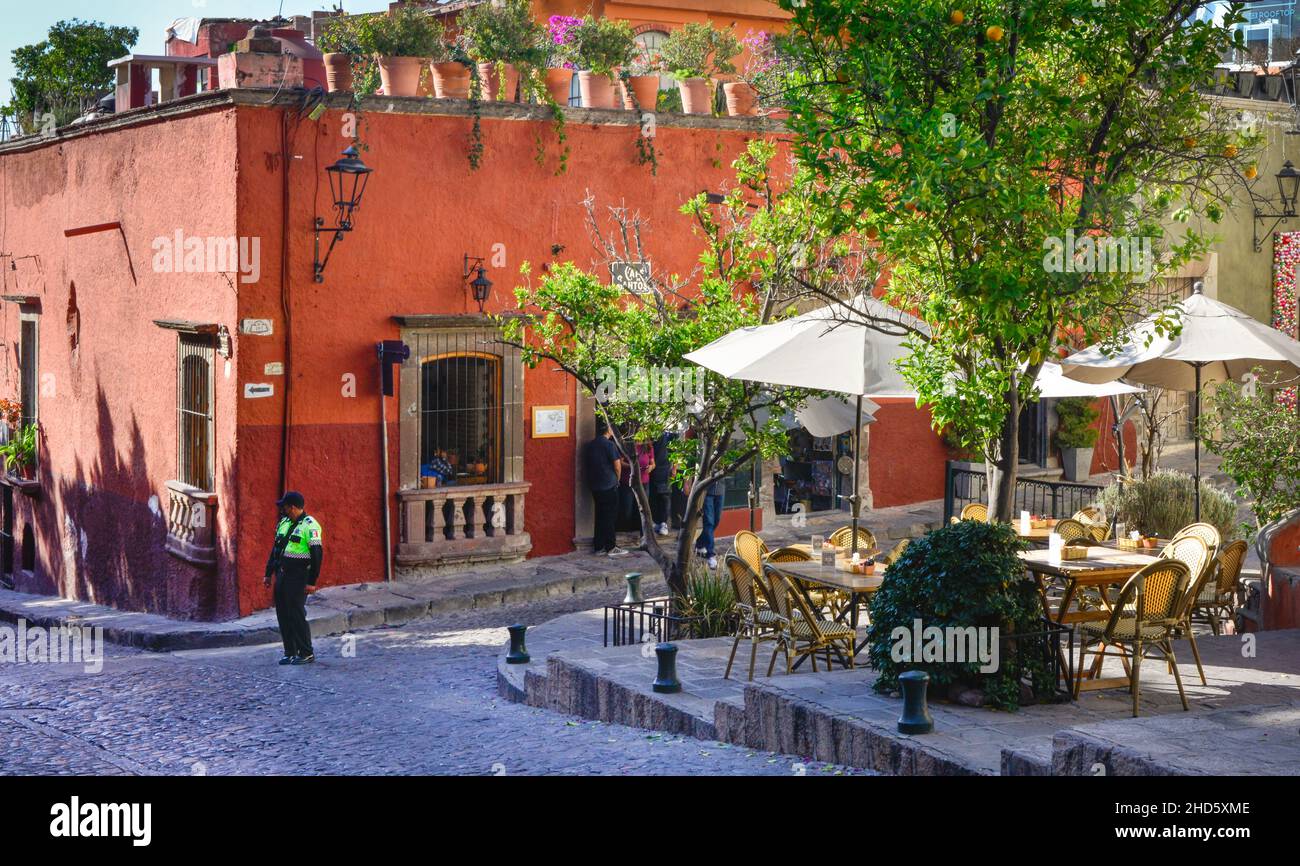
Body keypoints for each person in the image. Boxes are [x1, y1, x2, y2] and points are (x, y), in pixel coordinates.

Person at [264, 491, 323, 665]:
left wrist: (312, 582)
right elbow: (275, 550)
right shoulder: (283, 523)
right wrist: (268, 573)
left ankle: (306, 652)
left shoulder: (310, 525)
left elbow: (317, 555)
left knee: (296, 613)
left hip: (299, 576)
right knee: (283, 614)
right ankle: (290, 651)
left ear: (294, 507)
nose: (283, 510)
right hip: (282, 574)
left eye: (285, 506)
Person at [583, 420, 627, 557]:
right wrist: (617, 480)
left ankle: (599, 546)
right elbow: (617, 465)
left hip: (595, 485)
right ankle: (611, 546)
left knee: (600, 515)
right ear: (608, 430)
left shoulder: (591, 445)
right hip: (609, 485)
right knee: (609, 516)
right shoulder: (609, 445)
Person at [694, 478, 726, 569]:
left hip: (720, 489)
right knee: (709, 522)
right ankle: (710, 555)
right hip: (706, 491)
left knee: (716, 521)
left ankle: (700, 544)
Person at [648, 432, 673, 536]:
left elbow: (676, 452)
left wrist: (674, 468)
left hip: (664, 470)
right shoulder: (649, 433)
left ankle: (663, 523)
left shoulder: (669, 435)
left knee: (664, 496)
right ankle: (655, 522)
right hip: (650, 470)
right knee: (652, 496)